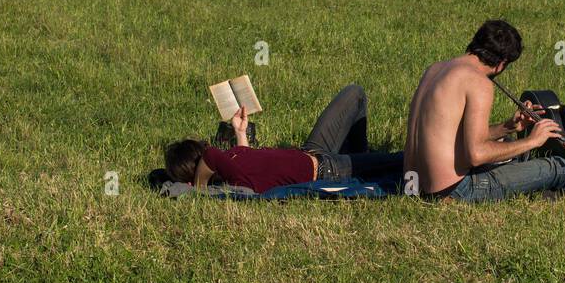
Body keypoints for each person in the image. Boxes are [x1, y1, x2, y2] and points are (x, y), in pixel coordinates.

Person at [403, 20, 565, 202]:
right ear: (501, 64)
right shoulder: (478, 82)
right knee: (559, 168)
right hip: (451, 191)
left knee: (507, 146)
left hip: (412, 185)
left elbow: (456, 138)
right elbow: (476, 155)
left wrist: (508, 127)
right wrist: (533, 141)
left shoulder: (435, 69)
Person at [164, 85, 403, 194]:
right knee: (401, 161)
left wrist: (240, 133)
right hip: (326, 170)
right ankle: (364, 162)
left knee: (355, 94)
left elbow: (245, 158)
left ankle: (362, 158)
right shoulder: (230, 176)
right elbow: (212, 156)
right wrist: (198, 187)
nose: (209, 146)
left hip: (313, 149)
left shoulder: (233, 165)